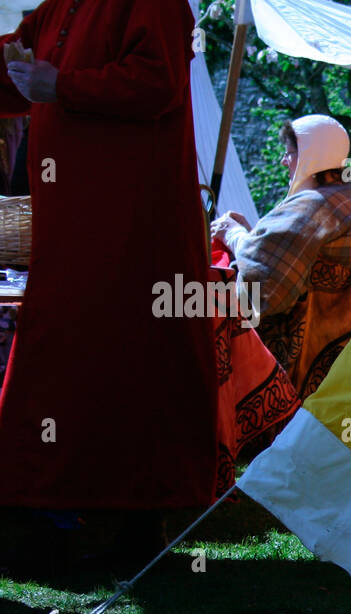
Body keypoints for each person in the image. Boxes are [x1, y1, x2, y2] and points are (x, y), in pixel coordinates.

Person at [0, 1, 217, 568]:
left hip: (133, 229)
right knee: (58, 363)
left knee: (131, 367)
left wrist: (61, 84)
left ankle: (130, 525)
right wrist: (32, 74)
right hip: (71, 228)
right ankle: (45, 515)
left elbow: (158, 82)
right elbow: (16, 67)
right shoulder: (57, 9)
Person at [211, 115, 351, 401]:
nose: (284, 161)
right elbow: (292, 252)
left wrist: (234, 236)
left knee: (187, 303)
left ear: (310, 155)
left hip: (308, 371)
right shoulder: (347, 200)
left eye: (290, 153)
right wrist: (253, 235)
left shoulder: (312, 206)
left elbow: (265, 287)